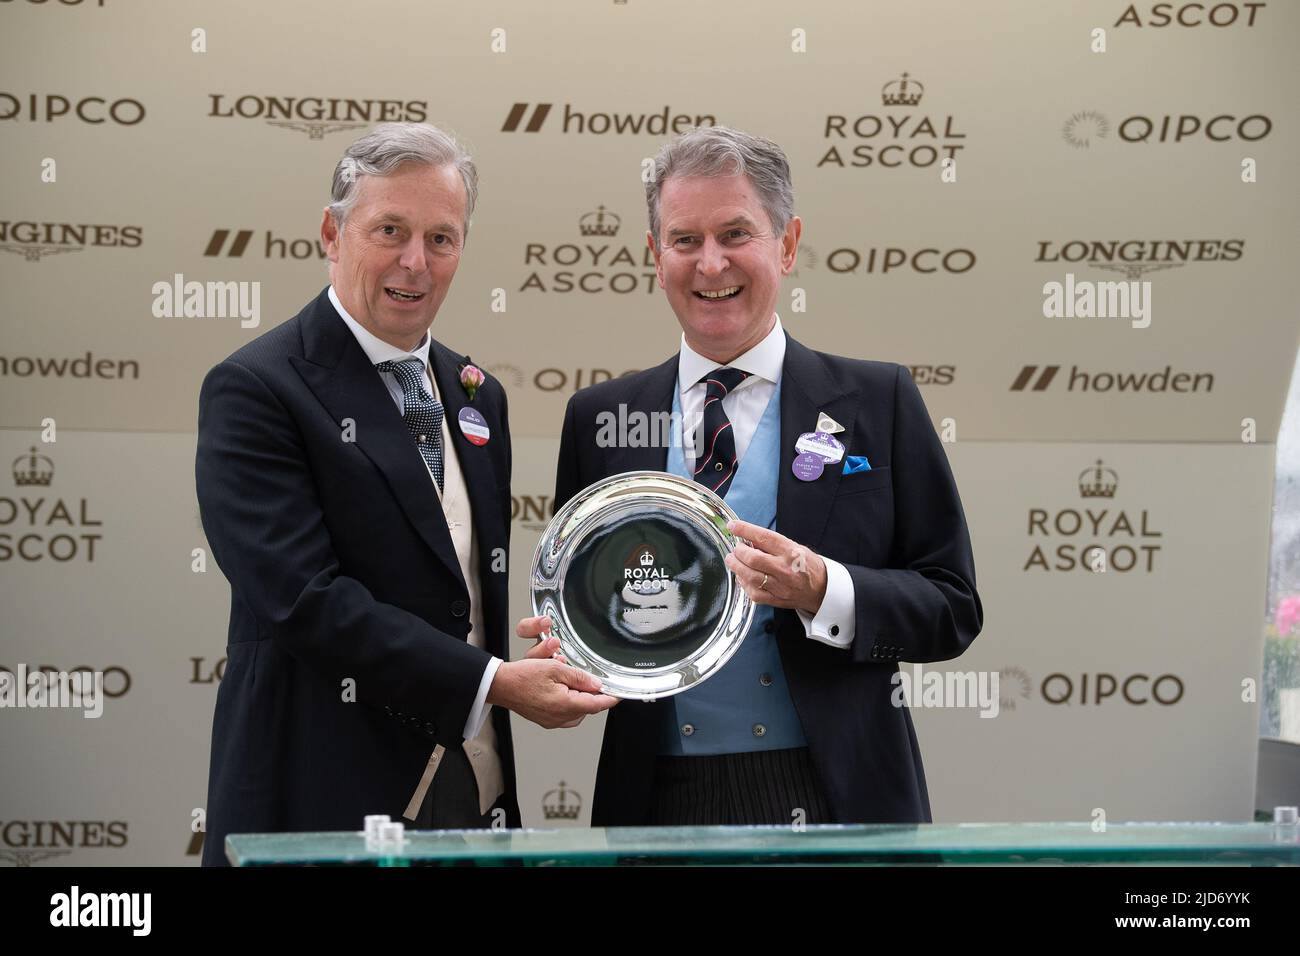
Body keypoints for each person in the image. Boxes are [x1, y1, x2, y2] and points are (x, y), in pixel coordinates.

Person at [196, 122, 615, 866]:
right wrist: (496, 682)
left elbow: (467, 600)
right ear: (332, 232)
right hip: (322, 803)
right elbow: (306, 602)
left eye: (442, 238)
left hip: (477, 800)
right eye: (390, 230)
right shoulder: (257, 389)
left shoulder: (474, 392)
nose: (415, 263)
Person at [553, 126, 982, 826]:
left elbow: (952, 608)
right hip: (656, 802)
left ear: (786, 244)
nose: (710, 262)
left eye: (735, 233)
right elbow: (591, 609)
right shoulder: (600, 417)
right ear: (654, 256)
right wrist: (573, 647)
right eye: (685, 240)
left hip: (836, 794)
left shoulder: (879, 402)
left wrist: (823, 588)